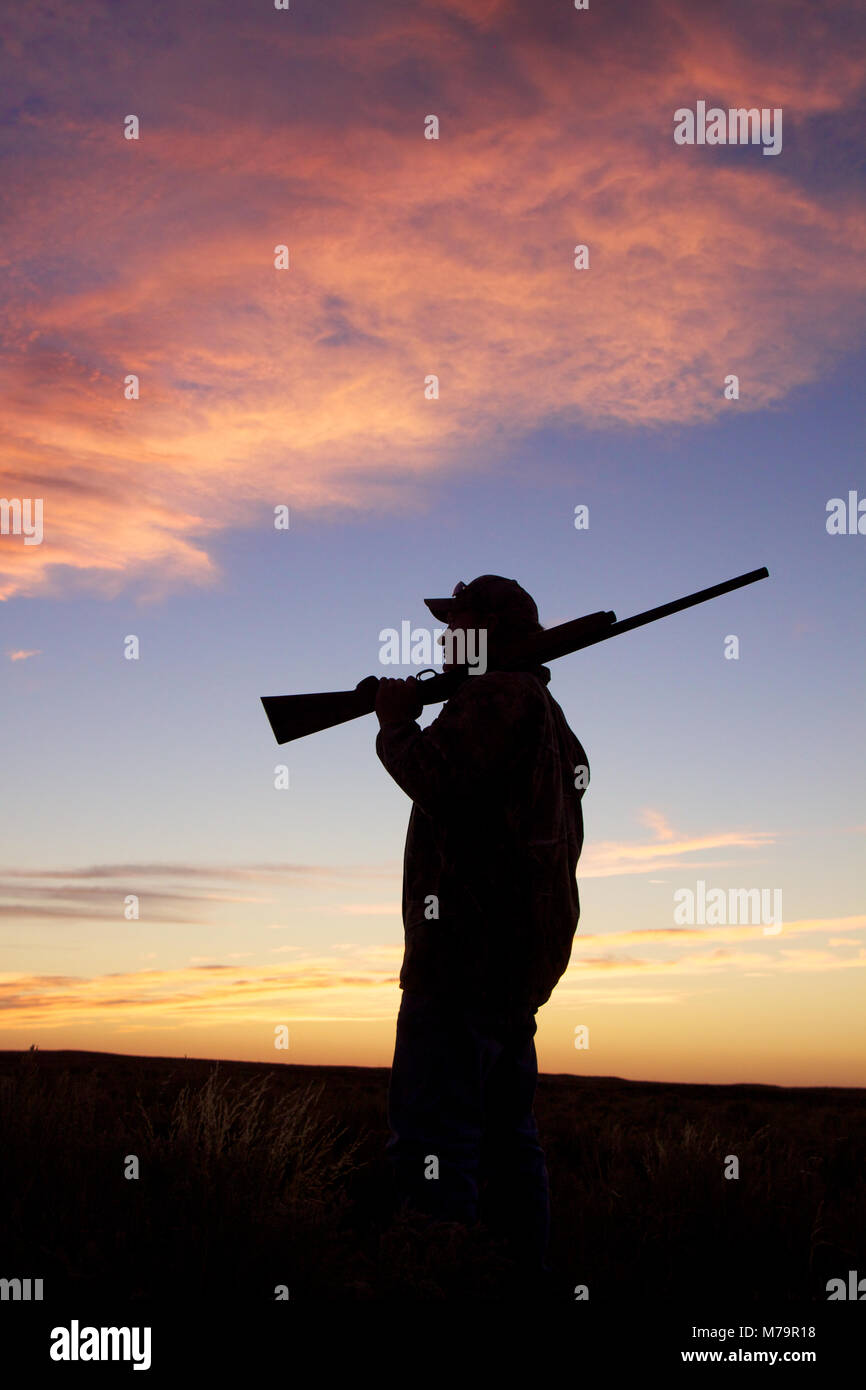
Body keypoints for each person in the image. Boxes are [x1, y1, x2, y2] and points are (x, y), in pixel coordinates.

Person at [374, 574, 589, 1290]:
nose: (443, 636)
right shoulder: (549, 716)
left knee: (434, 1145)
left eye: (456, 621)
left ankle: (438, 1282)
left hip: (461, 961)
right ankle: (521, 1283)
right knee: (507, 1144)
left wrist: (398, 723)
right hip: (512, 971)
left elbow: (441, 780)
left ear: (488, 629)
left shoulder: (498, 696)